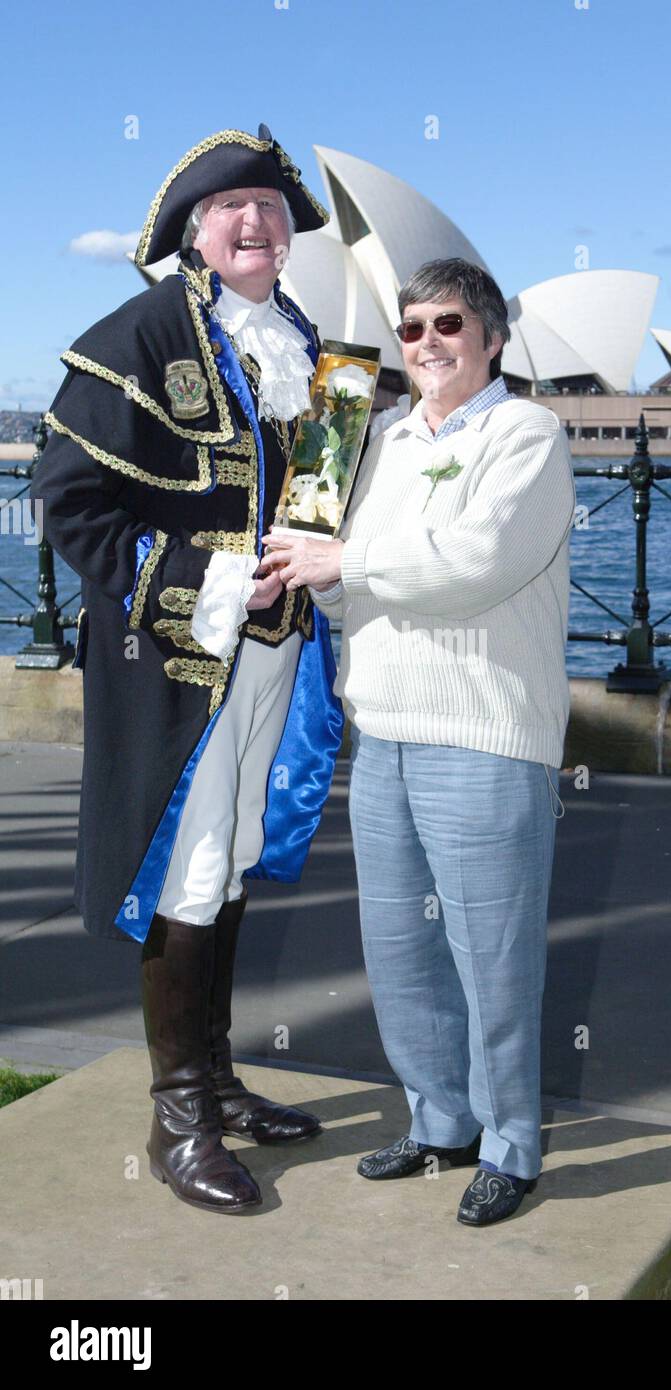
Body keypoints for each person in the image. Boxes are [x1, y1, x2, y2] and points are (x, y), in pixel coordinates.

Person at [30, 125, 344, 1215]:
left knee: (237, 855)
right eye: (231, 211)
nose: (254, 222)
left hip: (277, 650)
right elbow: (69, 502)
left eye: (268, 206)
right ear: (193, 235)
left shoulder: (297, 338)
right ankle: (177, 1123)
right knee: (190, 865)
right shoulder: (138, 335)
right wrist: (202, 586)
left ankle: (213, 1078)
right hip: (178, 657)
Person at [262, 257, 575, 1226]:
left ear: (489, 339)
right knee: (399, 949)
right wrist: (296, 563)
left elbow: (473, 565)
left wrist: (343, 557)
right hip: (384, 725)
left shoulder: (527, 433)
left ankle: (509, 1142)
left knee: (491, 955)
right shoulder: (381, 437)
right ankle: (438, 1121)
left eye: (448, 325)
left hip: (481, 731)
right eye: (411, 330)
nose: (428, 343)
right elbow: (360, 583)